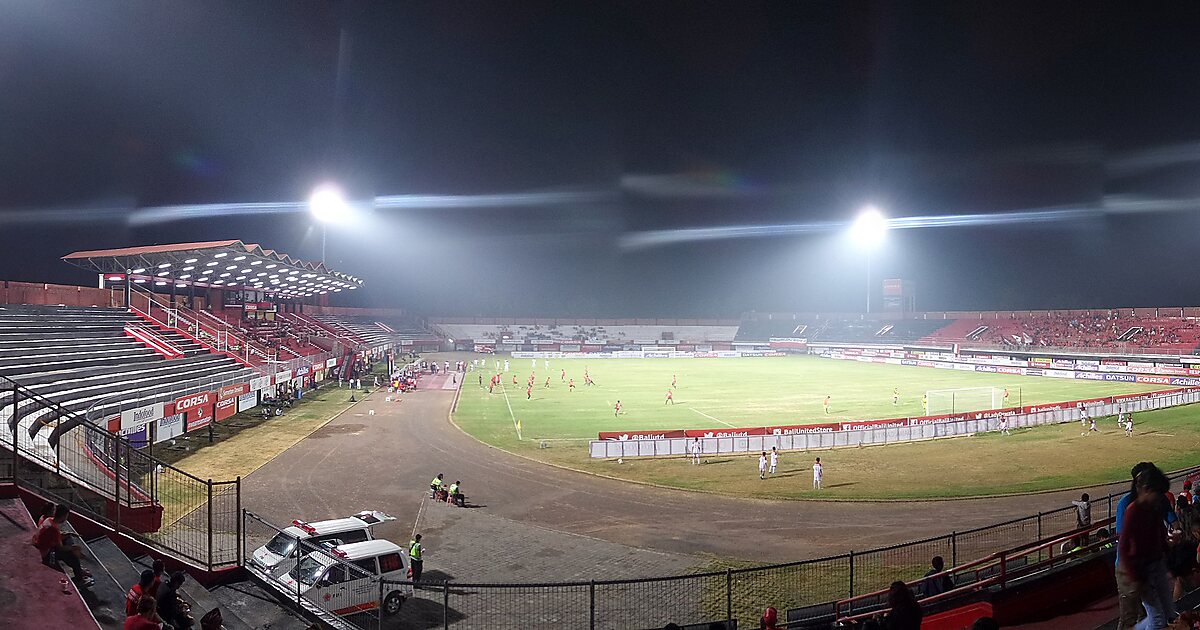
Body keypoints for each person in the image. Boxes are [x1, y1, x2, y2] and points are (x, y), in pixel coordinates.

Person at [1117, 465, 1173, 630]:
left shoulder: (1153, 507)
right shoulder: (1132, 511)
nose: (1161, 498)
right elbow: (1124, 547)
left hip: (1157, 565)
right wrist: (1135, 577)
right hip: (1142, 570)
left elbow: (1159, 534)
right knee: (1156, 620)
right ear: (1146, 490)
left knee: (1168, 614)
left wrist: (1168, 553)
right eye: (1159, 493)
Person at [33, 504, 94, 587]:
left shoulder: (49, 520)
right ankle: (80, 579)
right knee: (72, 557)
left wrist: (69, 534)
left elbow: (57, 537)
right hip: (46, 554)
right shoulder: (53, 528)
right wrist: (74, 548)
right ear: (63, 516)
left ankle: (79, 569)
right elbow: (61, 548)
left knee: (67, 540)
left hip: (44, 545)